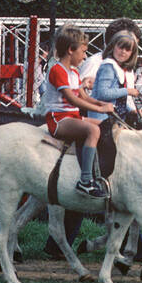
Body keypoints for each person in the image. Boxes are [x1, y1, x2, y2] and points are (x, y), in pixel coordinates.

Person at [39, 26, 114, 198]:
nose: (85, 56)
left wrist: (103, 104)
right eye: (83, 51)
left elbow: (83, 96)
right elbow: (72, 100)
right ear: (71, 50)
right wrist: (99, 109)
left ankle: (99, 172)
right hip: (59, 119)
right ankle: (85, 181)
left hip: (73, 116)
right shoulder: (57, 70)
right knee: (93, 130)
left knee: (105, 126)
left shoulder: (74, 72)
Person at [89, 32, 141, 122]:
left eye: (127, 49)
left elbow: (118, 100)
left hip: (113, 116)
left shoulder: (120, 68)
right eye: (120, 47)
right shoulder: (108, 66)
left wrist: (130, 110)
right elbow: (103, 93)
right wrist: (128, 91)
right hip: (101, 117)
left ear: (132, 53)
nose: (123, 51)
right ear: (113, 47)